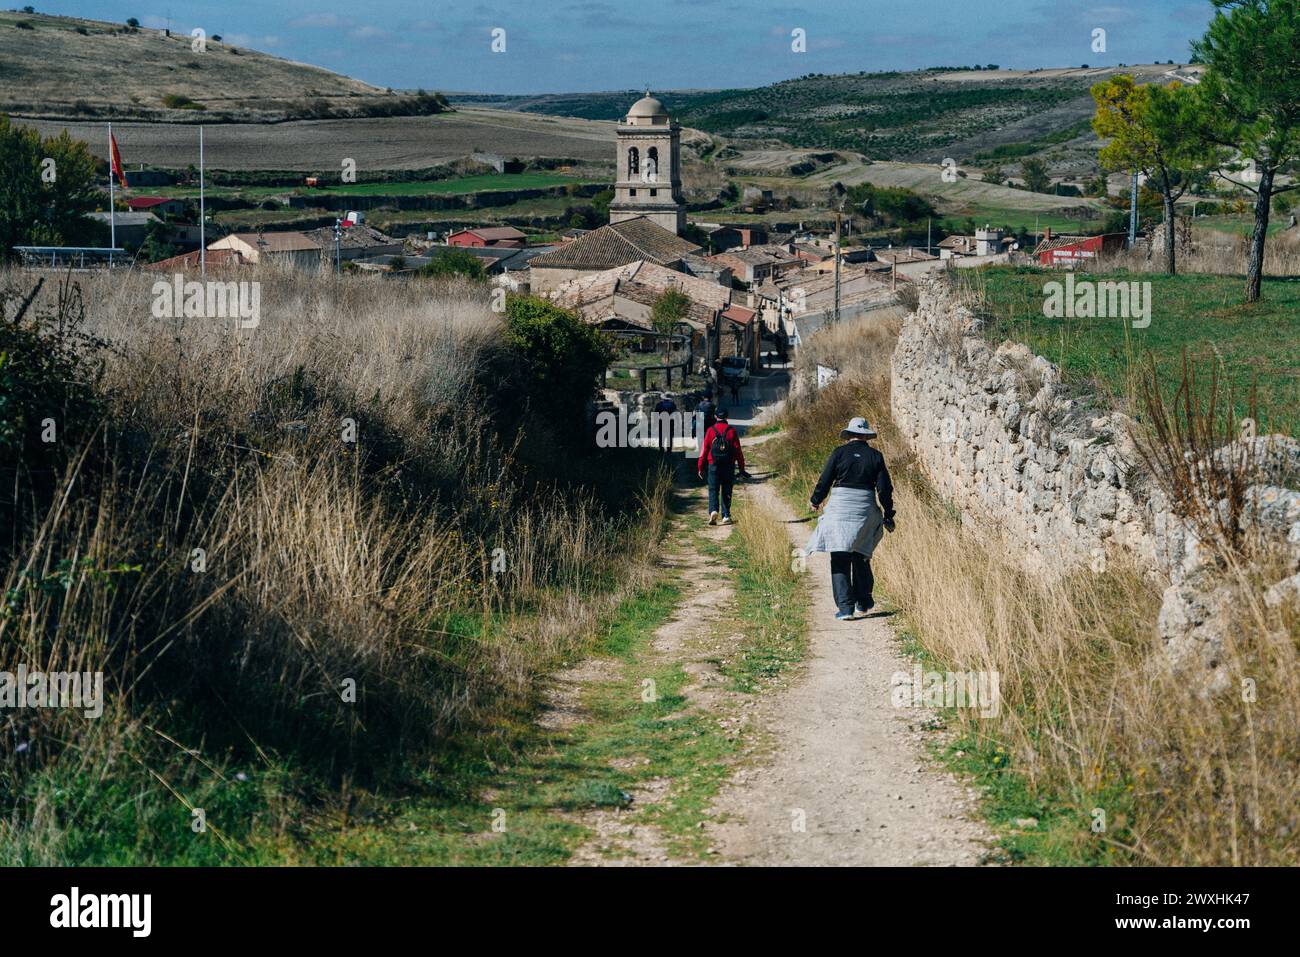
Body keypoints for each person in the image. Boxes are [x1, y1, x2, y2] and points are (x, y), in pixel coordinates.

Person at [805, 417, 895, 621]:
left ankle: (845, 608)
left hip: (839, 510)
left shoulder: (839, 453)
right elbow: (884, 489)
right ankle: (862, 602)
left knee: (839, 557)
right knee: (861, 554)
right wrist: (888, 514)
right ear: (865, 435)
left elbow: (825, 479)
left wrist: (815, 500)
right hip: (864, 511)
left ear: (849, 435)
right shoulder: (875, 456)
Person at [697, 409, 749, 525]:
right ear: (727, 416)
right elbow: (738, 451)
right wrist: (741, 468)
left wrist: (700, 467)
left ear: (715, 416)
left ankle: (713, 510)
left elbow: (704, 450)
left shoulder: (710, 430)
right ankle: (726, 515)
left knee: (713, 489)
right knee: (726, 489)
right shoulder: (732, 431)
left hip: (713, 464)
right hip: (729, 465)